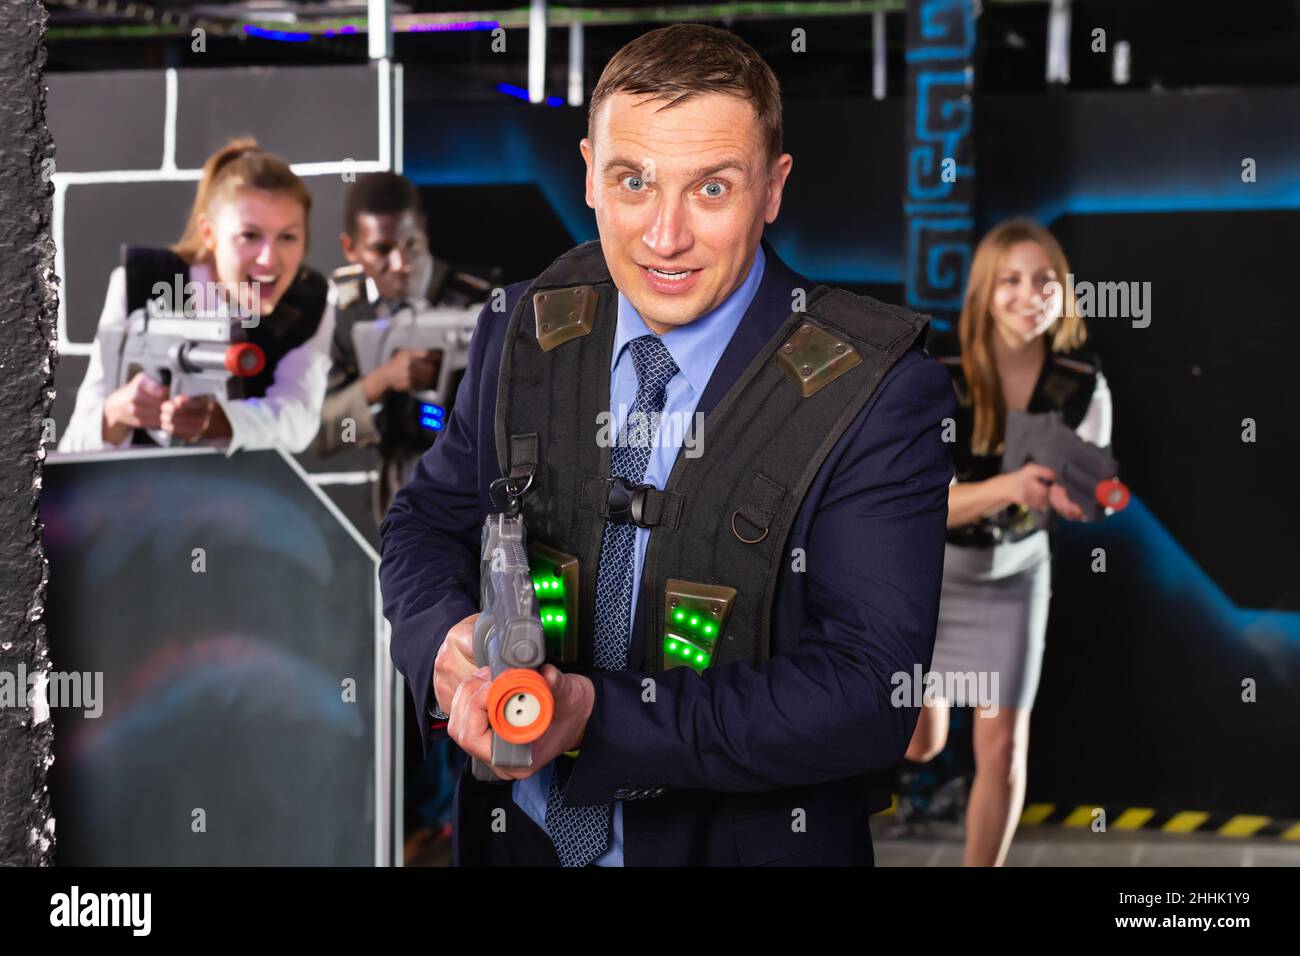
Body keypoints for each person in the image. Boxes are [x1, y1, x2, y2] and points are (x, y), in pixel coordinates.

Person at [380, 23, 956, 867]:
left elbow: (869, 692)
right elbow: (426, 521)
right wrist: (443, 642)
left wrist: (595, 714)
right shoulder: (521, 326)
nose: (664, 235)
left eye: (712, 189)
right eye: (633, 181)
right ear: (588, 175)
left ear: (773, 189)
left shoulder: (879, 389)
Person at [903, 218, 1113, 866]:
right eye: (1012, 280)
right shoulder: (939, 376)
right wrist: (1015, 484)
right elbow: (918, 506)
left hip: (1019, 573)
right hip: (932, 575)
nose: (1031, 294)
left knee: (1002, 748)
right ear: (986, 292)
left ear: (1063, 290)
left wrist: (1075, 503)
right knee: (922, 744)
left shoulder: (1082, 381)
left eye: (1045, 280)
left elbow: (1095, 490)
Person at [59, 138, 333, 454]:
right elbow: (74, 445)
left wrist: (218, 420)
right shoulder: (141, 284)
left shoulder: (309, 301)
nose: (269, 258)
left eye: (288, 237)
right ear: (208, 233)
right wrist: (118, 412)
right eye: (250, 235)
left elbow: (298, 421)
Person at [309, 171, 491, 530]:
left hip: (473, 490)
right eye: (382, 250)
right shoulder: (346, 315)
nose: (401, 263)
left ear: (423, 228)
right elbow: (319, 432)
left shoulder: (476, 300)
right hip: (398, 496)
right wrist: (381, 381)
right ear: (351, 249)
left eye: (412, 243)